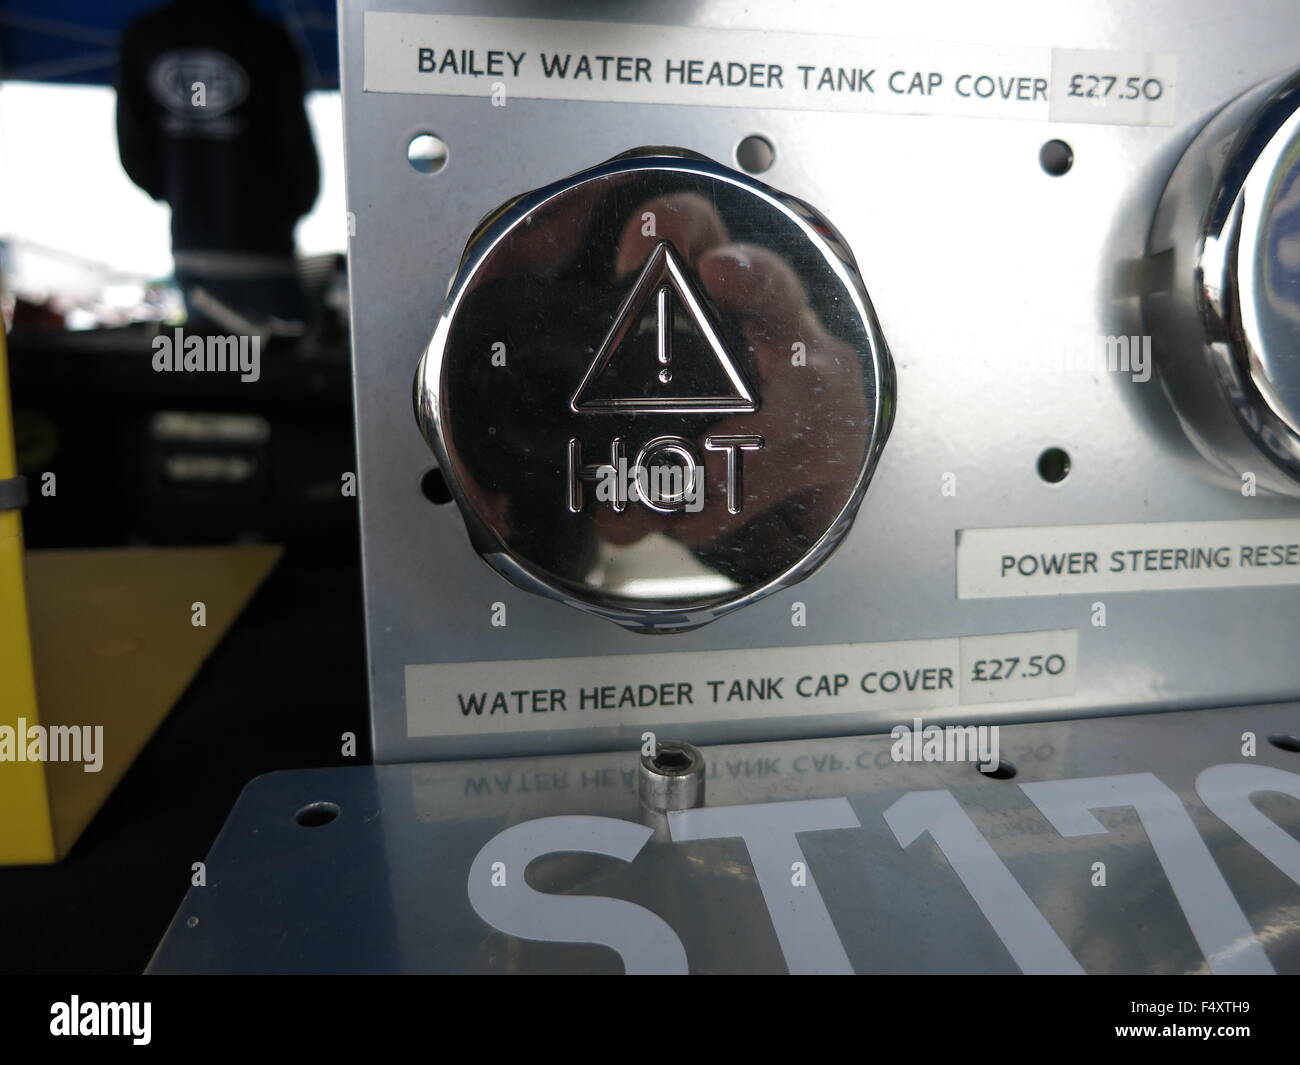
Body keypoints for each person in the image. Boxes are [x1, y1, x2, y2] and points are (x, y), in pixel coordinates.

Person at [115, 0, 319, 336]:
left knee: (211, 375)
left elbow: (134, 149)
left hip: (192, 248)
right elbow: (294, 141)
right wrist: (289, 208)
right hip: (266, 251)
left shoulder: (144, 35)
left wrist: (186, 195)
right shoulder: (267, 36)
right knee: (284, 376)